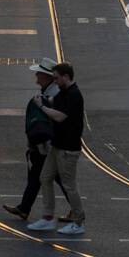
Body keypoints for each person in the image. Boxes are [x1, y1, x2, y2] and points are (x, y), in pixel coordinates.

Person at [3, 60, 69, 224]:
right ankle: (24, 208)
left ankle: (74, 211)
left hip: (48, 144)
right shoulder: (48, 90)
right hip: (45, 144)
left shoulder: (52, 94)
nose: (36, 75)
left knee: (57, 177)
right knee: (37, 176)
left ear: (46, 76)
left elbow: (55, 118)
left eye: (38, 73)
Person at [27, 62, 86, 236]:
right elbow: (56, 102)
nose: (54, 81)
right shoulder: (64, 92)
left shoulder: (74, 94)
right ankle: (47, 218)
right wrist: (45, 100)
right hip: (57, 145)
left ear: (66, 77)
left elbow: (60, 116)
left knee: (69, 185)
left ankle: (78, 221)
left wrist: (42, 107)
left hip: (68, 149)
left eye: (57, 78)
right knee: (45, 177)